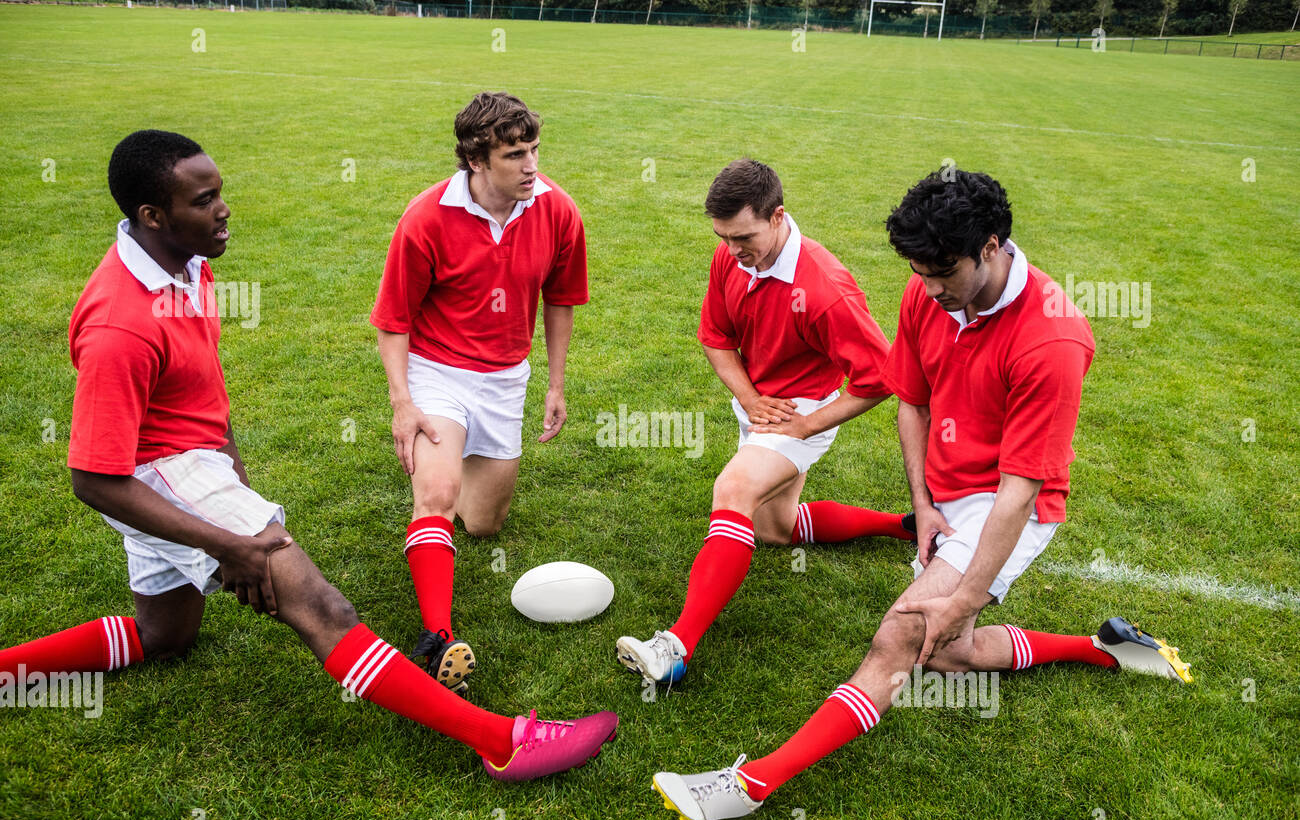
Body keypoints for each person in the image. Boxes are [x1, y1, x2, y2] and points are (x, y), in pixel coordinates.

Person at [0, 130, 615, 783]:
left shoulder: (186, 264)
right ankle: (501, 741)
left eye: (220, 194)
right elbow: (95, 478)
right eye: (205, 200)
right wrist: (230, 542)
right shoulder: (121, 324)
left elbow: (202, 391)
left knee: (163, 636)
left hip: (193, 465)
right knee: (323, 609)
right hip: (165, 477)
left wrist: (233, 476)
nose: (224, 210)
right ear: (154, 216)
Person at [651, 169, 1192, 820]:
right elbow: (910, 397)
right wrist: (925, 503)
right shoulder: (927, 290)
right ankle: (1104, 648)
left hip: (1006, 507)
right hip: (948, 494)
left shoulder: (1052, 340)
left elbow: (1020, 492)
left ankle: (750, 786)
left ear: (990, 248)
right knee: (952, 653)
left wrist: (960, 597)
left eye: (943, 273)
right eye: (919, 272)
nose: (928, 289)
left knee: (900, 639)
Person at [616, 158, 913, 687]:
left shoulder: (827, 290)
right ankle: (904, 526)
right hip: (761, 406)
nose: (733, 250)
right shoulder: (730, 258)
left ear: (778, 217)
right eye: (723, 237)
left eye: (744, 236)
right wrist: (752, 401)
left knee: (732, 489)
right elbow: (716, 339)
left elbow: (881, 377)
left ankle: (675, 648)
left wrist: (806, 424)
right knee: (774, 529)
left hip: (800, 413)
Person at [371, 92, 588, 688]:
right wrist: (403, 403)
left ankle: (446, 469)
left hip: (504, 380)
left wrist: (555, 382)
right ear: (476, 159)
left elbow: (561, 298)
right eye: (514, 155)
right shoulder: (426, 217)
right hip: (436, 370)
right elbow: (392, 320)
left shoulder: (558, 210)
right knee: (437, 495)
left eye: (534, 150)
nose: (530, 166)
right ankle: (436, 637)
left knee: (484, 525)